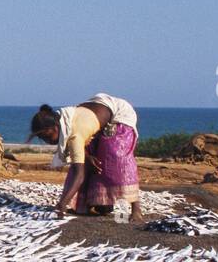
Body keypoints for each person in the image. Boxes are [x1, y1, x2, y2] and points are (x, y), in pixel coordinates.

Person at [27, 93, 143, 221]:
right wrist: (87, 157)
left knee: (115, 156)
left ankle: (136, 209)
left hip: (120, 112)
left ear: (55, 127)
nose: (47, 141)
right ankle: (93, 203)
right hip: (93, 116)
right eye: (43, 139)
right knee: (87, 160)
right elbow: (80, 154)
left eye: (48, 136)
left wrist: (63, 203)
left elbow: (79, 174)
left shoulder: (74, 134)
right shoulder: (63, 121)